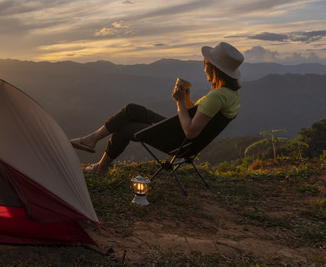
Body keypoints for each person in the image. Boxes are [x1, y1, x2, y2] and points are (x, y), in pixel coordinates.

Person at [70, 42, 244, 172]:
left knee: (125, 127)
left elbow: (191, 131)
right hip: (182, 135)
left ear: (213, 69)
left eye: (205, 66)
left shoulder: (217, 96)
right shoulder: (231, 94)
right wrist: (188, 100)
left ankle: (101, 167)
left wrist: (180, 102)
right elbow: (200, 115)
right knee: (132, 109)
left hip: (180, 141)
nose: (204, 70)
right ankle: (92, 139)